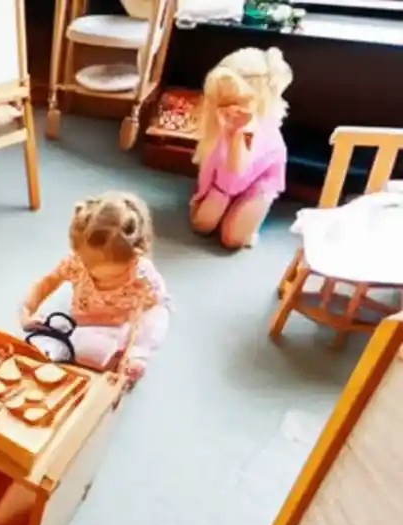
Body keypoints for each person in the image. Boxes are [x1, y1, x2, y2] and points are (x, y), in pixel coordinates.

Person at [21, 192, 171, 384]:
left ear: (134, 257)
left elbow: (155, 302)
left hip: (123, 323)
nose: (96, 275)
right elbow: (47, 282)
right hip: (87, 323)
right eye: (88, 264)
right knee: (74, 349)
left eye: (114, 274)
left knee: (155, 321)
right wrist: (26, 310)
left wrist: (136, 335)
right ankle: (104, 352)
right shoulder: (76, 263)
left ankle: (136, 356)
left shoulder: (140, 270)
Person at [190, 47, 292, 250]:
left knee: (233, 240)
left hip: (255, 178)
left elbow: (238, 168)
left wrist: (234, 135)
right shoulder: (219, 119)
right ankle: (220, 199)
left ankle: (247, 214)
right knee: (202, 225)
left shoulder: (251, 129)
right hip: (223, 176)